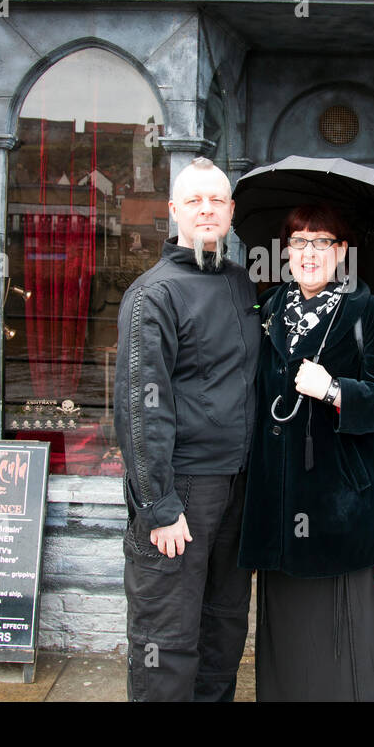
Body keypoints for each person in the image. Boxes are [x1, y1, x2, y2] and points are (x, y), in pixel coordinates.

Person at [238, 203, 374, 701]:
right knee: (288, 647)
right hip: (279, 502)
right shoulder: (270, 308)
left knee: (339, 652)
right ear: (285, 252)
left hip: (344, 511)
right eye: (299, 242)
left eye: (322, 242)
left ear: (341, 251)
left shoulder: (371, 314)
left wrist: (337, 390)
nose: (309, 253)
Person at [113, 157, 260, 701]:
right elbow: (139, 408)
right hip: (183, 492)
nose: (206, 210)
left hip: (237, 488)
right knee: (166, 635)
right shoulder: (154, 294)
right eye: (194, 201)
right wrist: (159, 506)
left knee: (223, 628)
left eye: (216, 200)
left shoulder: (242, 284)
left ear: (230, 212)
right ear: (173, 211)